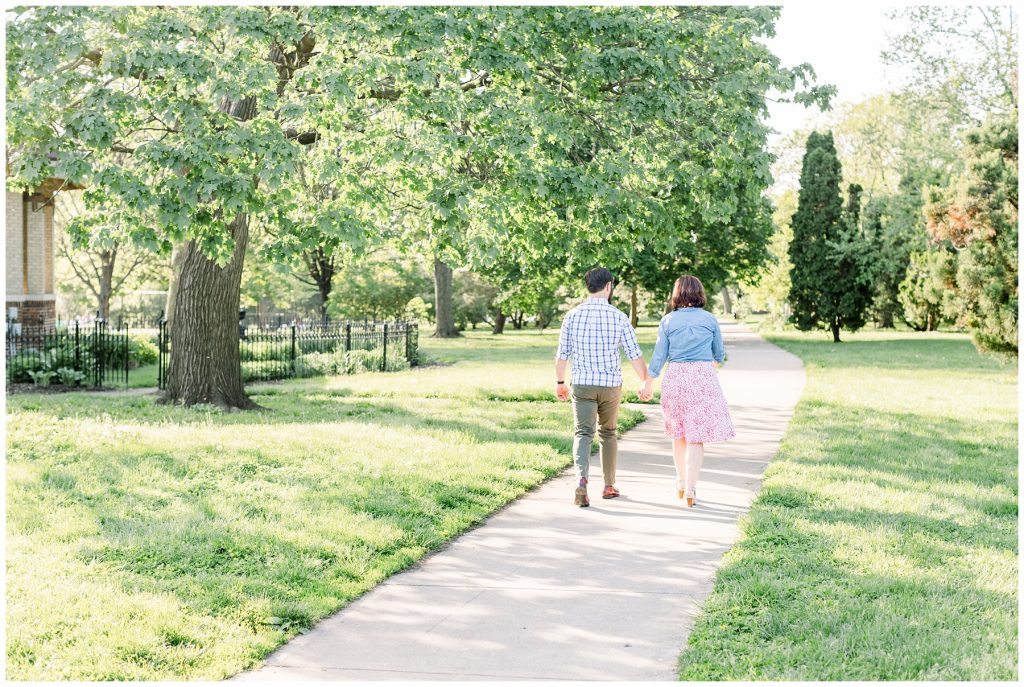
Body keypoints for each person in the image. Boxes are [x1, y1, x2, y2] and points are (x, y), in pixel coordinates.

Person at [555, 267, 653, 508]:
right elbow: (634, 354)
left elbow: (562, 355)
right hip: (610, 386)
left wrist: (559, 383)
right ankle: (609, 485)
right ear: (608, 286)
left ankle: (581, 481)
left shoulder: (573, 316)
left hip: (582, 384)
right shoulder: (619, 317)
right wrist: (645, 381)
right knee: (608, 433)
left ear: (588, 287)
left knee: (583, 433)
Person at [640, 275, 735, 507]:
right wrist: (708, 363)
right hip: (702, 378)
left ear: (678, 293)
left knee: (678, 433)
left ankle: (681, 483)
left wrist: (648, 382)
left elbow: (660, 356)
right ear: (699, 293)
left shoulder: (668, 321)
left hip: (676, 378)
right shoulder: (710, 319)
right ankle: (692, 489)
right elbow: (719, 354)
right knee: (696, 437)